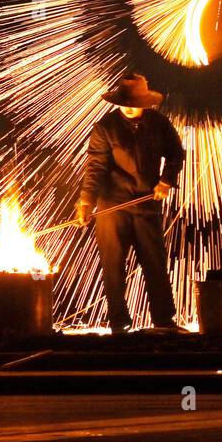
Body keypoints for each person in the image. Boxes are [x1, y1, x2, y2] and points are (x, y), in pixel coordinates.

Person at [76, 73, 185, 332]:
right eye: (124, 102)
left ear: (145, 103)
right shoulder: (105, 126)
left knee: (154, 261)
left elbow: (175, 154)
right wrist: (85, 202)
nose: (128, 107)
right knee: (113, 264)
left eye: (134, 103)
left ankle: (163, 319)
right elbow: (96, 167)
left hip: (147, 203)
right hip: (113, 205)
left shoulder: (159, 123)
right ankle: (118, 322)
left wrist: (166, 181)